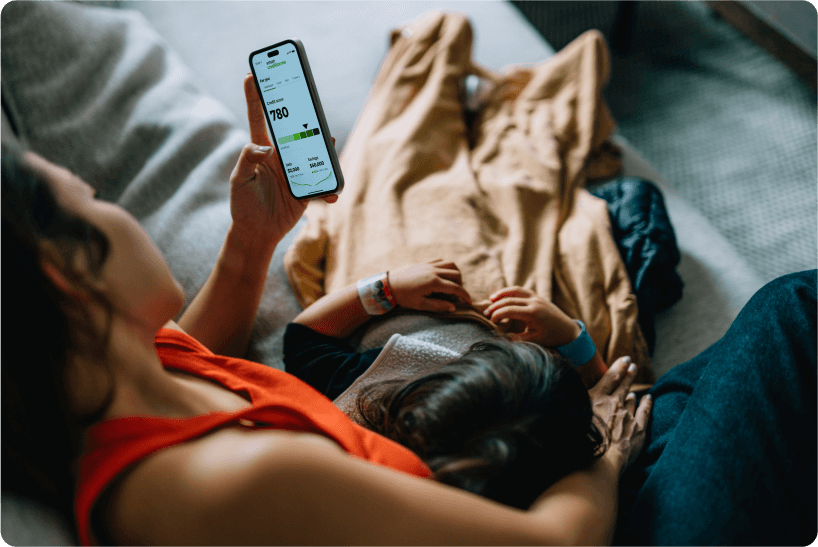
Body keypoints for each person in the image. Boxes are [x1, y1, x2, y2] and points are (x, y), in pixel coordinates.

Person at [1, 74, 650, 547]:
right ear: (67, 275)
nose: (116, 207)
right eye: (92, 197)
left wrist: (252, 239)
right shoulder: (238, 482)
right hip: (580, 500)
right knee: (757, 328)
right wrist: (607, 444)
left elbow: (202, 354)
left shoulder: (125, 376)